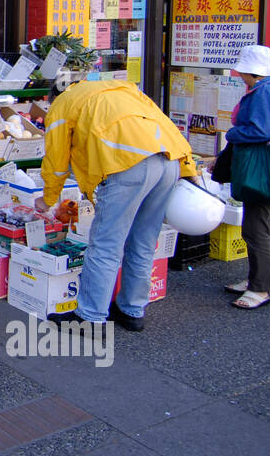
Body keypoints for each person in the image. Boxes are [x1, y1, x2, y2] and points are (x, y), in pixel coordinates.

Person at [36, 79, 200, 331]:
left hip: (128, 166)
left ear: (52, 98)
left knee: (105, 245)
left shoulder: (62, 105)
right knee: (144, 241)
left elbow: (56, 161)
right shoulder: (121, 89)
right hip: (168, 161)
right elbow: (167, 126)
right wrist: (189, 169)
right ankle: (132, 311)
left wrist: (47, 199)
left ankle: (90, 317)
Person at [219, 45, 270, 311]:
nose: (239, 75)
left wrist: (232, 134)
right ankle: (261, 279)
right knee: (260, 225)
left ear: (252, 72)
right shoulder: (269, 89)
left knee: (255, 228)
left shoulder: (264, 93)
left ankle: (260, 287)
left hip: (260, 168)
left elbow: (260, 131)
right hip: (266, 167)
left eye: (242, 71)